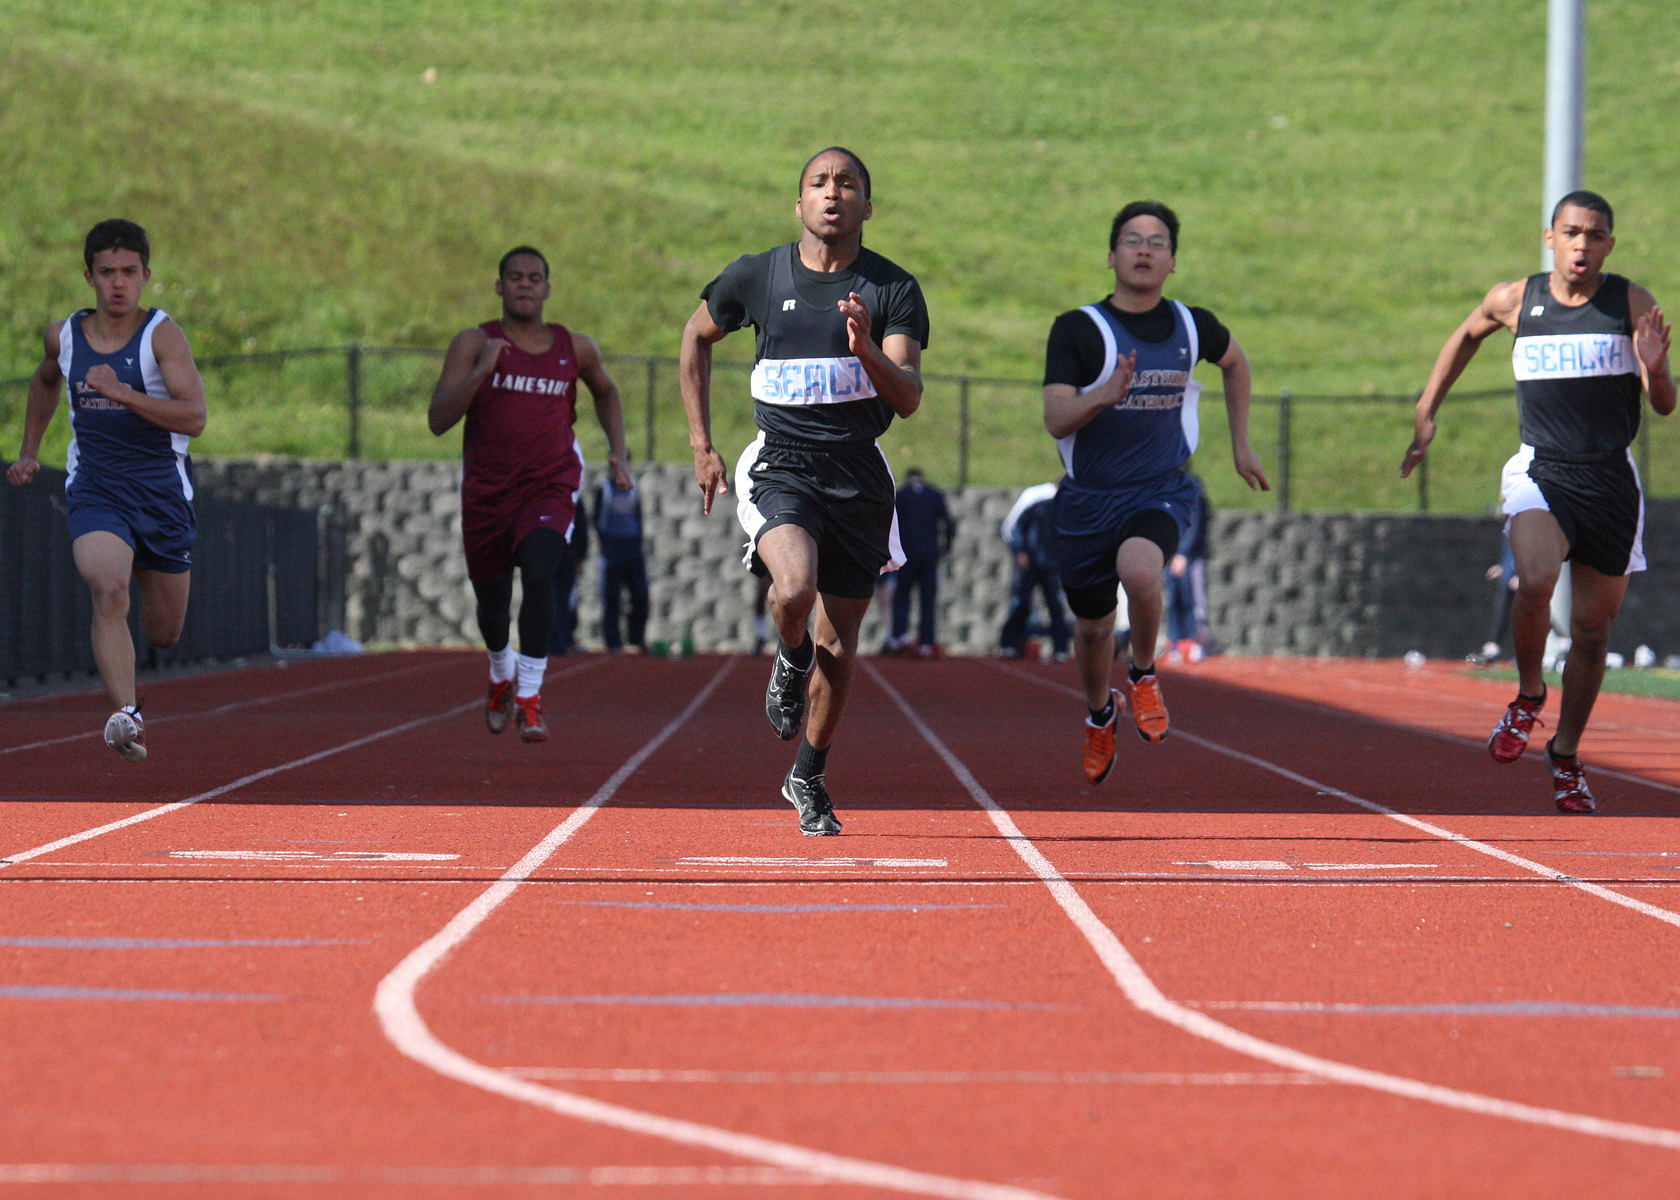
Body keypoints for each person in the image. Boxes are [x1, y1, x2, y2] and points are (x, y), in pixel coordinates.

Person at [680, 147, 930, 835]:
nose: (832, 193)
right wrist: (703, 445)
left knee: (843, 646)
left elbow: (908, 397)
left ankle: (808, 775)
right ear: (799, 204)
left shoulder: (892, 289)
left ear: (867, 206)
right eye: (818, 183)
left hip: (857, 473)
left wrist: (867, 349)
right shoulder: (760, 275)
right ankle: (788, 656)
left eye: (847, 184)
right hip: (783, 463)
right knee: (793, 588)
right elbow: (695, 338)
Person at [1402, 190, 1673, 813]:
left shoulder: (1630, 302)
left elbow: (1662, 405)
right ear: (1549, 236)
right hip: (1540, 468)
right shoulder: (1516, 300)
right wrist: (1426, 410)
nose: (1583, 244)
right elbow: (1466, 335)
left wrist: (1656, 370)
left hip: (1610, 480)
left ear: (1609, 245)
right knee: (1535, 580)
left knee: (1593, 631)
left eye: (1596, 235)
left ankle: (1567, 755)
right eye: (1572, 232)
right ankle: (1528, 695)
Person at [1043, 201, 1268, 786]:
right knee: (1092, 629)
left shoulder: (1194, 327)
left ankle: (1142, 674)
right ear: (1113, 255)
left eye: (1157, 242)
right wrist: (1104, 394)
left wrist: (1241, 444)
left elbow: (1237, 363)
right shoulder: (1078, 330)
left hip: (1161, 488)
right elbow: (1056, 418)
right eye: (1133, 240)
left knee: (1141, 573)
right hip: (1088, 499)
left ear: (1172, 261)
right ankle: (1099, 714)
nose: (1144, 250)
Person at [7, 219, 208, 762]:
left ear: (146, 276)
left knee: (165, 634)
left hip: (162, 494)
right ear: (89, 277)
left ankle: (146, 586)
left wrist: (123, 394)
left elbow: (194, 417)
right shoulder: (64, 335)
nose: (117, 284)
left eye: (128, 273)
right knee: (108, 590)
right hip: (97, 487)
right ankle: (127, 715)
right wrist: (30, 451)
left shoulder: (162, 335)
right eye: (106, 273)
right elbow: (46, 379)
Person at [430, 246, 631, 742]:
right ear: (499, 286)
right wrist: (482, 372)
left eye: (534, 278)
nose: (524, 285)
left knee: (541, 572)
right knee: (493, 605)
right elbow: (438, 419)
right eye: (515, 278)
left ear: (547, 288)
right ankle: (500, 674)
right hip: (488, 493)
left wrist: (619, 453)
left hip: (549, 484)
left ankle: (530, 696)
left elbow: (606, 391)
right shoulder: (475, 342)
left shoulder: (573, 347)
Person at [998, 479, 1070, 660]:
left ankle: (1060, 648)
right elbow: (1015, 528)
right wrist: (1020, 551)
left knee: (1055, 605)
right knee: (1021, 602)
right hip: (1031, 563)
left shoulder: (1068, 509)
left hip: (1052, 565)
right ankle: (1009, 644)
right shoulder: (1039, 506)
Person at [887, 468, 954, 656]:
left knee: (902, 596)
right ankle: (926, 642)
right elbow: (949, 523)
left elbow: (891, 523)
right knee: (928, 599)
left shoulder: (901, 495)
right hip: (929, 555)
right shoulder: (934, 495)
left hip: (906, 554)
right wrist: (945, 547)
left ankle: (900, 637)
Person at [594, 466, 650, 654]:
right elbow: (597, 519)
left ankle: (636, 638)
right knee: (612, 599)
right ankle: (613, 642)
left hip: (632, 548)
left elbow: (638, 517)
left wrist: (638, 543)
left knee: (641, 596)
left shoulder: (633, 489)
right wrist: (605, 547)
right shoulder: (605, 489)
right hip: (612, 549)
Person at [1163, 468, 1212, 663]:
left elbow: (1195, 522)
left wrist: (1183, 553)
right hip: (1169, 553)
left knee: (1191, 599)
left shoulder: (1192, 486)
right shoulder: (1163, 486)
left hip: (1188, 556)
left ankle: (1193, 642)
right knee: (1173, 600)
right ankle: (1174, 643)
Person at [548, 450, 590, 656]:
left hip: (562, 551)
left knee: (560, 597)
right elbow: (581, 526)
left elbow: (581, 526)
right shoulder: (569, 494)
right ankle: (559, 641)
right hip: (558, 551)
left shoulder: (570, 494)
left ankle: (561, 640)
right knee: (559, 597)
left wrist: (580, 555)